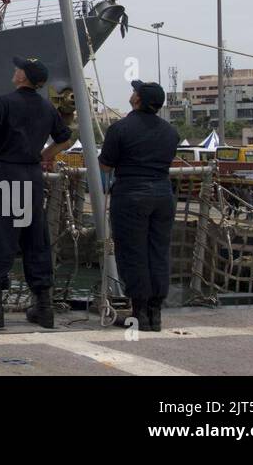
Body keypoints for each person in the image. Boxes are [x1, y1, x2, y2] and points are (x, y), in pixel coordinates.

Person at [0, 57, 74, 329]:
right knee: (35, 238)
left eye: (18, 69)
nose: (14, 71)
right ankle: (44, 307)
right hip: (33, 176)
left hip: (8, 174)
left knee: (1, 237)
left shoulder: (4, 103)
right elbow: (66, 138)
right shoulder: (47, 108)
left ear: (23, 77)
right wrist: (44, 154)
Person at [100, 80, 178, 332]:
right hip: (163, 194)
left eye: (134, 92)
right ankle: (155, 313)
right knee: (158, 252)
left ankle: (139, 314)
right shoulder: (170, 132)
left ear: (137, 100)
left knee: (133, 253)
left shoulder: (120, 129)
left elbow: (106, 165)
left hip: (131, 193)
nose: (132, 94)